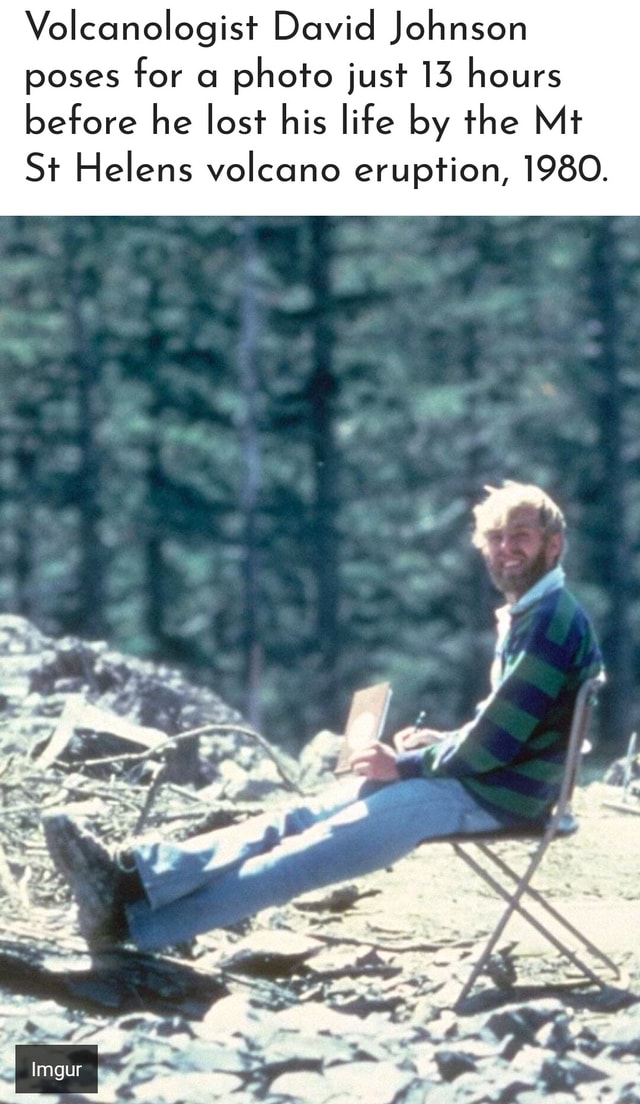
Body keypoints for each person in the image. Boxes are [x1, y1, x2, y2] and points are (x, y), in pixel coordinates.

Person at [44, 482, 603, 951]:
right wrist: (436, 742)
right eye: (497, 538)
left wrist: (406, 765)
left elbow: (496, 741)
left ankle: (131, 926)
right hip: (490, 781)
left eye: (521, 537)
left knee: (306, 854)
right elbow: (505, 722)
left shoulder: (551, 620)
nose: (506, 549)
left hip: (498, 794)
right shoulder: (537, 611)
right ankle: (132, 877)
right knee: (296, 820)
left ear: (553, 545)